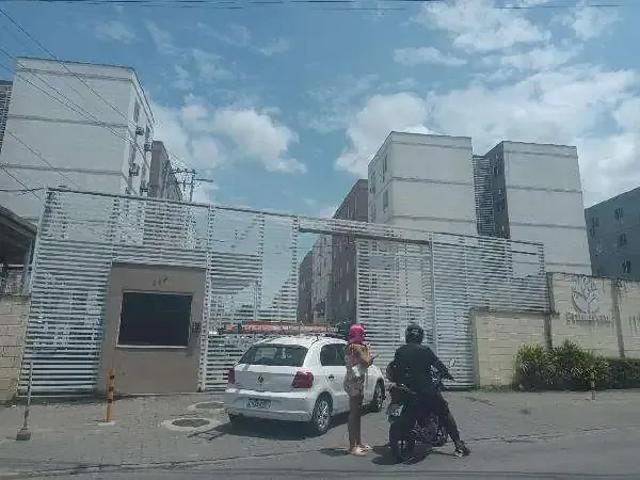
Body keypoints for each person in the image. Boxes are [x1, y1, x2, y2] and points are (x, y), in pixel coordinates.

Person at [392, 323, 471, 457]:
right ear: (420, 337)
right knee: (444, 412)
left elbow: (395, 369)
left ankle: (410, 435)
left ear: (407, 336)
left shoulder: (400, 351)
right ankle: (458, 443)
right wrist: (447, 374)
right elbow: (439, 365)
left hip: (406, 390)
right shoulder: (425, 350)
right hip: (425, 390)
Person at [343, 323, 373, 456]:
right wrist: (368, 351)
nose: (363, 335)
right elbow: (366, 362)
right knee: (354, 413)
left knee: (357, 412)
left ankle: (358, 442)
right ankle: (352, 446)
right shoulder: (356, 347)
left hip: (355, 381)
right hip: (354, 382)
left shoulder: (350, 346)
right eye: (362, 333)